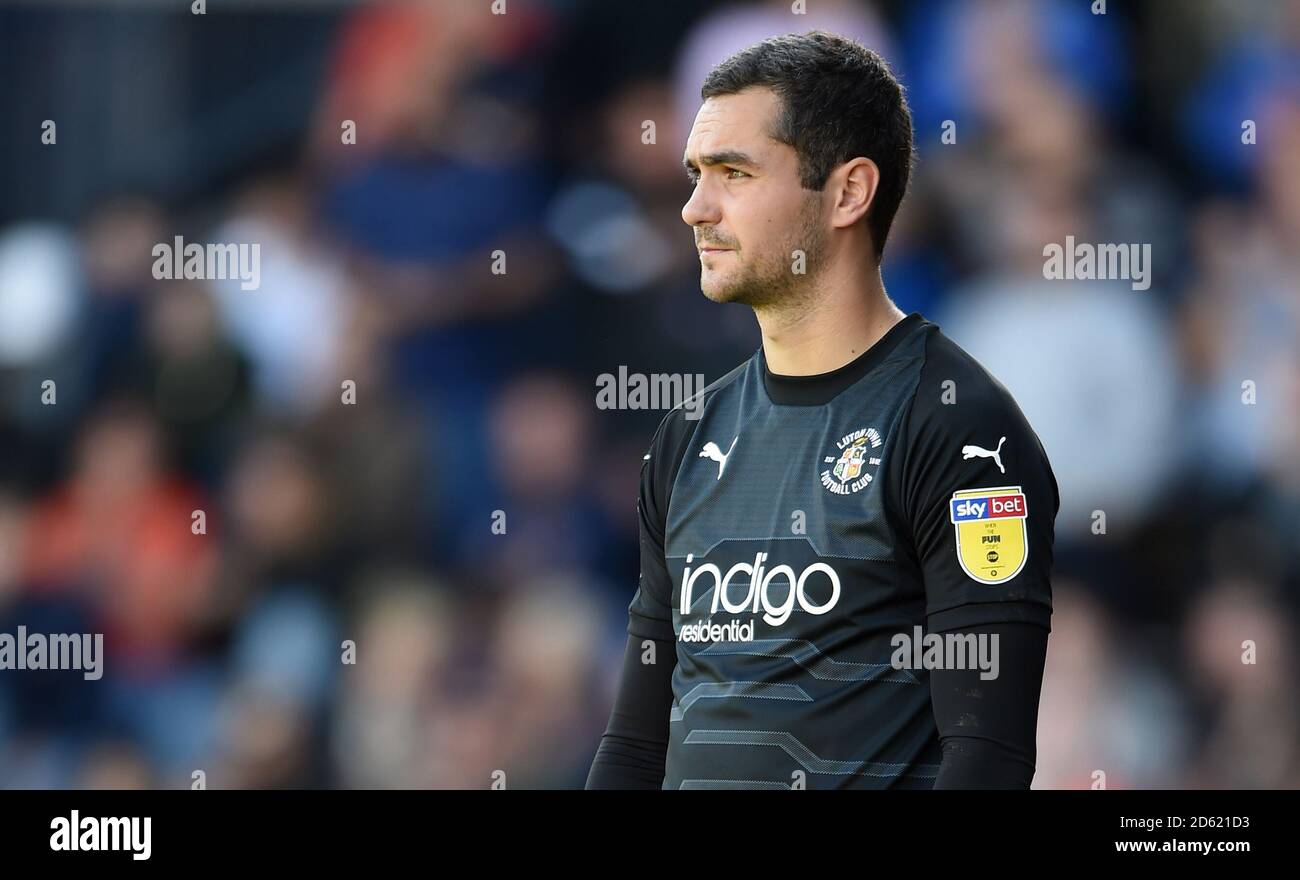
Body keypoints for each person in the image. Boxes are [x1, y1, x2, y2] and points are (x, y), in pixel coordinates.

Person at [586, 31, 1057, 789]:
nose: (694, 209)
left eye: (733, 173)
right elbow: (636, 746)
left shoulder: (960, 429)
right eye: (695, 175)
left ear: (848, 192)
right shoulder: (686, 436)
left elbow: (987, 758)